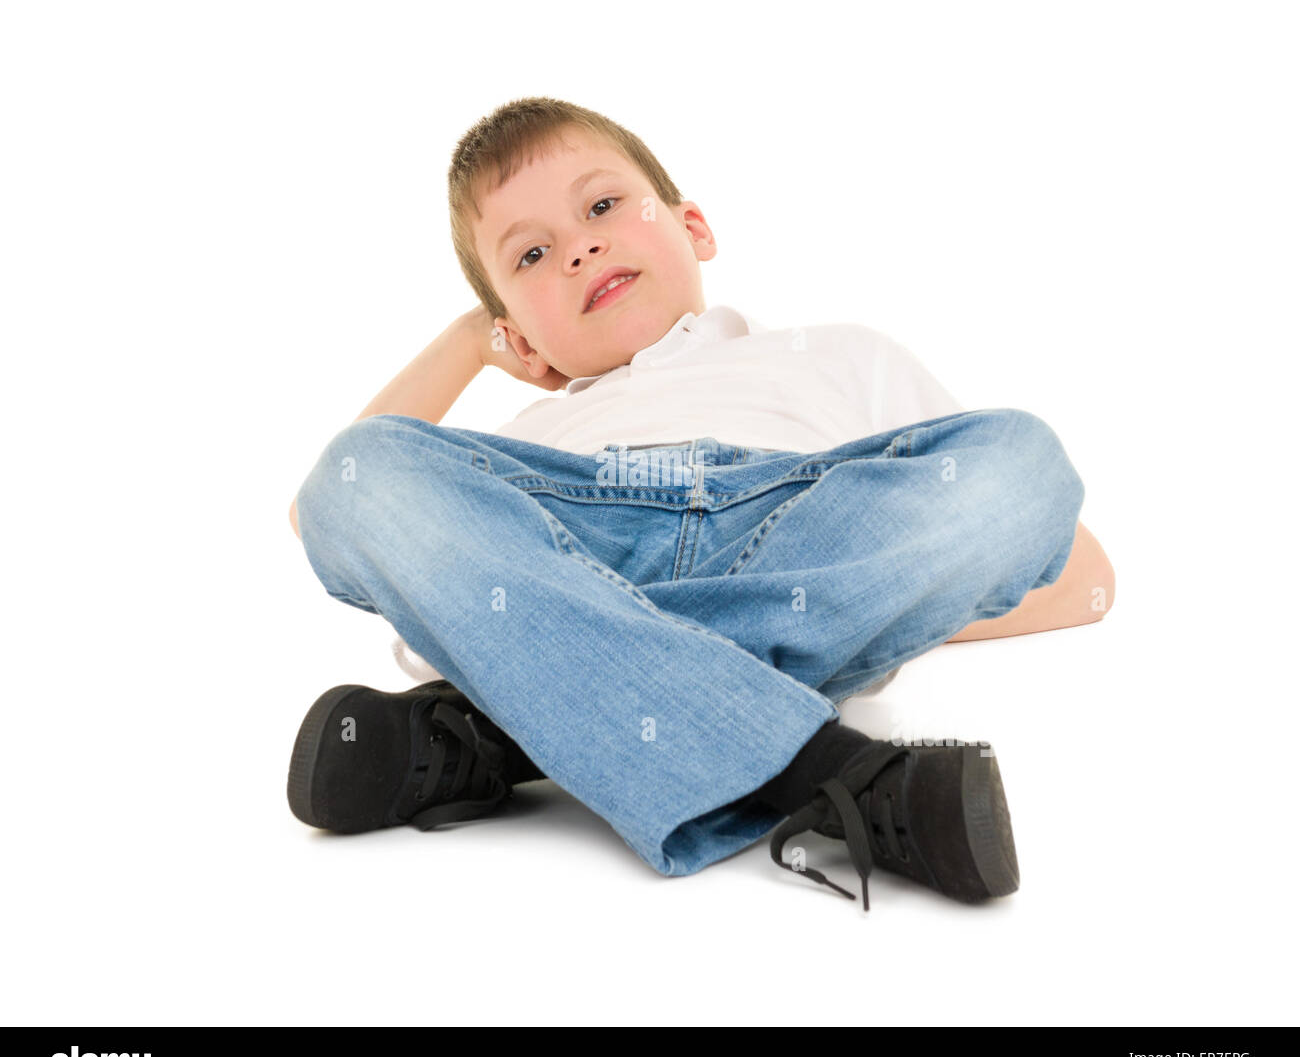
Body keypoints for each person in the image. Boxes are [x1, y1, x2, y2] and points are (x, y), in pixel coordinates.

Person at [287, 96, 1113, 910]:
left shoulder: (838, 356)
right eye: (531, 256)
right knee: (355, 474)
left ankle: (507, 734)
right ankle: (830, 775)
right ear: (521, 335)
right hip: (586, 521)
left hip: (792, 529)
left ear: (694, 228)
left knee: (1022, 463)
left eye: (603, 205)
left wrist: (853, 608)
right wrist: (471, 341)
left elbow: (1078, 575)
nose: (580, 249)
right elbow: (330, 512)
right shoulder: (528, 432)